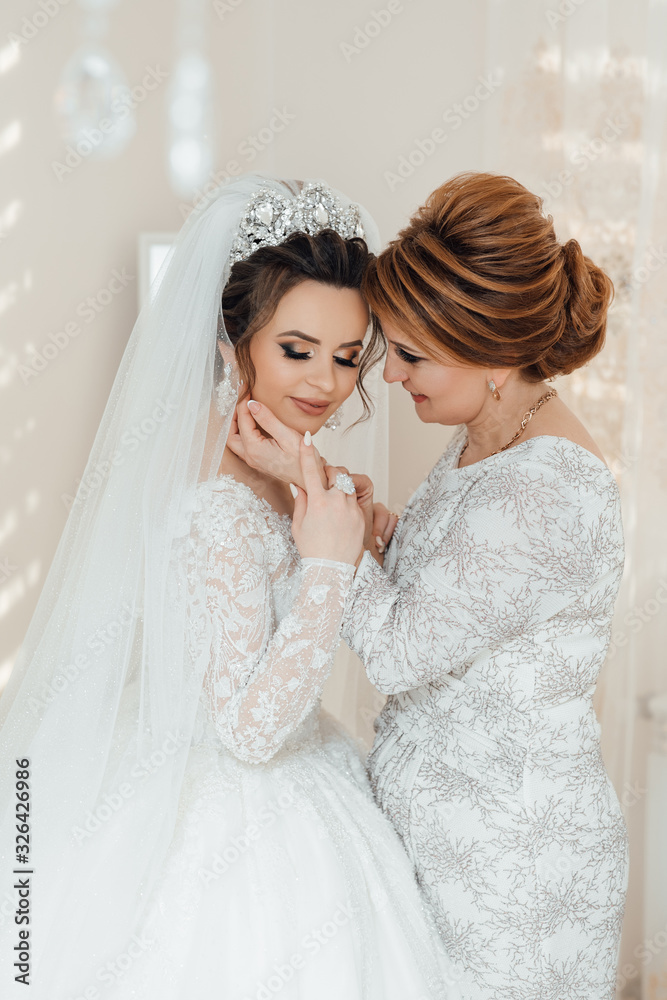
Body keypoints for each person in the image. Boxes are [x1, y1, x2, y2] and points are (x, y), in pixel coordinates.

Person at [0, 176, 456, 999]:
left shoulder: (282, 457)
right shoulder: (215, 500)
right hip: (236, 816)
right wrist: (324, 566)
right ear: (230, 340)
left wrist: (338, 514)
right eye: (296, 349)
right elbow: (248, 731)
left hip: (306, 773)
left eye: (348, 357)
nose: (324, 381)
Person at [235, 172, 629, 1000]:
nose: (386, 376)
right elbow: (445, 602)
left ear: (490, 352)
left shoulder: (543, 489)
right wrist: (370, 532)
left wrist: (312, 497)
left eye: (408, 356)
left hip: (511, 870)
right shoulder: (486, 437)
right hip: (443, 844)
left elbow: (399, 649)